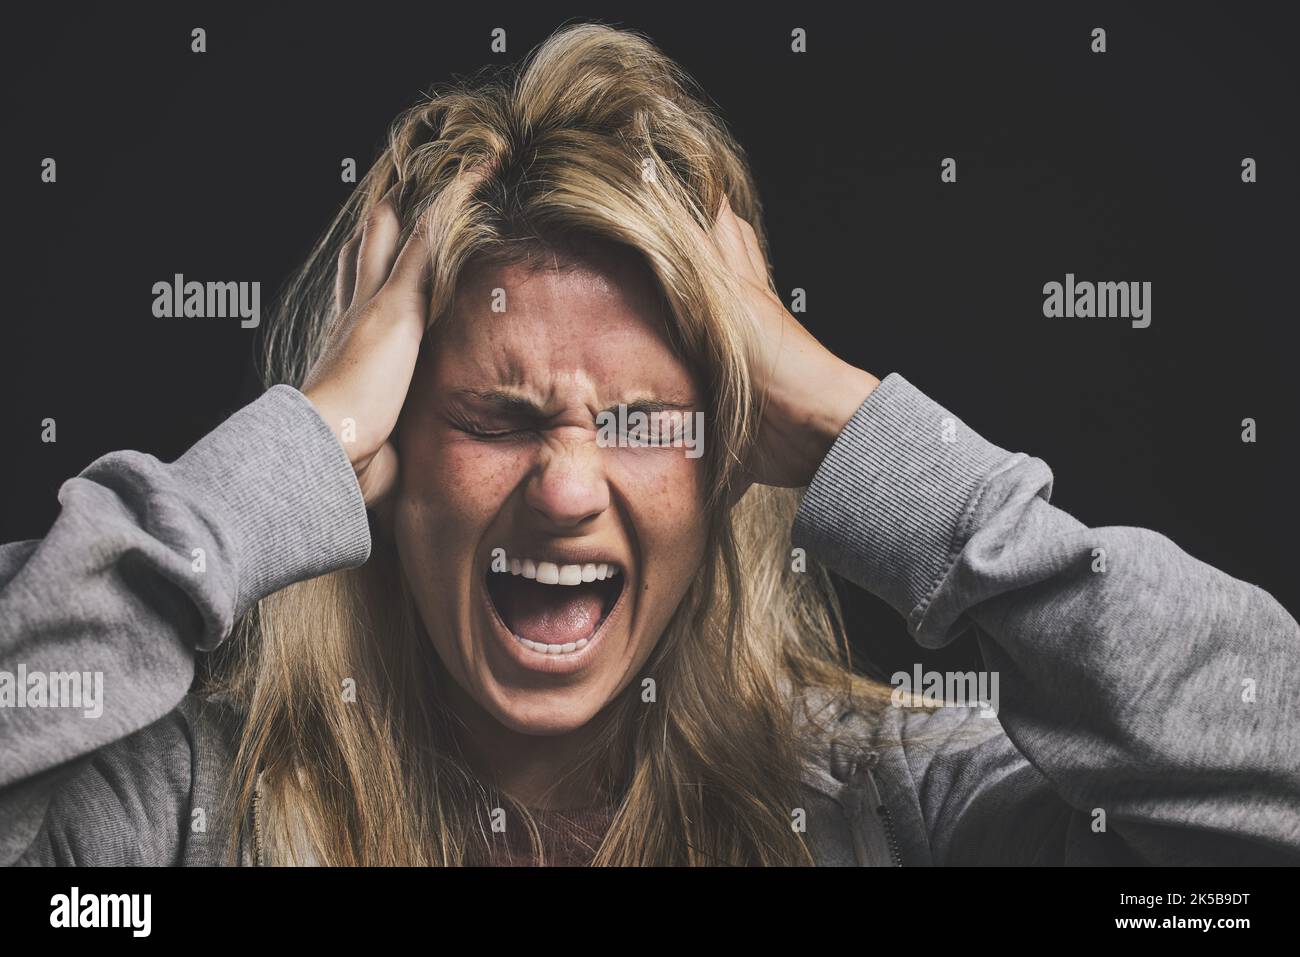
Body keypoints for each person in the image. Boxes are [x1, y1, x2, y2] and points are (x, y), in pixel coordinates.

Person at [2, 23, 1297, 867]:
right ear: (385, 463)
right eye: (498, 417)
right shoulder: (179, 817)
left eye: (643, 423)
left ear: (733, 452)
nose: (568, 487)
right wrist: (287, 455)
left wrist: (866, 433)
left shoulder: (890, 807)